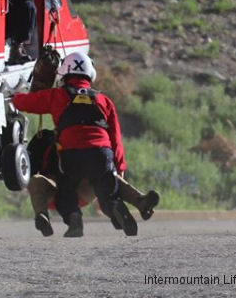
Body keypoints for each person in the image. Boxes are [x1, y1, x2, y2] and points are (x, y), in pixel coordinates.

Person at [12, 50, 138, 237]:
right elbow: (115, 138)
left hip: (72, 156)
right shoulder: (104, 100)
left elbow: (26, 103)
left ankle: (72, 220)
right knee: (106, 190)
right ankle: (116, 206)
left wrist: (14, 96)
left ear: (64, 73)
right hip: (101, 154)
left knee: (65, 194)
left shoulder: (57, 95)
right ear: (90, 73)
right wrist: (120, 167)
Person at [27, 128, 160, 237]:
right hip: (52, 191)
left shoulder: (85, 140)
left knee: (106, 175)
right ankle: (42, 217)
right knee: (36, 180)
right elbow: (26, 171)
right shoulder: (44, 139)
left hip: (81, 189)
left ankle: (140, 201)